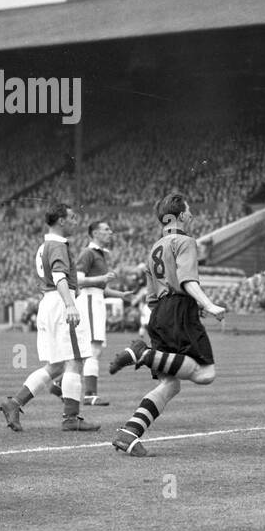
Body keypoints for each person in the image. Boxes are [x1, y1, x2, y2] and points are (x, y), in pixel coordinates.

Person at [105, 192, 225, 456]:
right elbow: (187, 280)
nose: (192, 215)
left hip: (159, 312)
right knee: (206, 374)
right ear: (180, 216)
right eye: (189, 211)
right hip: (179, 309)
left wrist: (165, 314)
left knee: (171, 384)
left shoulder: (153, 248)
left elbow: (150, 296)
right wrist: (206, 304)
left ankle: (129, 433)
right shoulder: (185, 241)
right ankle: (143, 354)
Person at [0, 203, 100, 433]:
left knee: (55, 366)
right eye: (73, 217)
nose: (76, 221)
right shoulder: (58, 245)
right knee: (75, 360)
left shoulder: (44, 246)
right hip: (60, 303)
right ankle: (71, 418)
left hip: (49, 303)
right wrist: (70, 304)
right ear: (61, 221)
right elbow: (58, 276)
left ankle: (14, 403)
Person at [76, 219, 132, 405]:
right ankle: (90, 394)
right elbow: (78, 279)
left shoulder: (100, 254)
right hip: (90, 300)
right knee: (94, 348)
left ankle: (60, 385)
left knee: (92, 349)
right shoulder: (88, 253)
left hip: (96, 299)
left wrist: (120, 294)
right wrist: (102, 277)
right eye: (106, 229)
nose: (110, 232)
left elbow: (100, 287)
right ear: (95, 233)